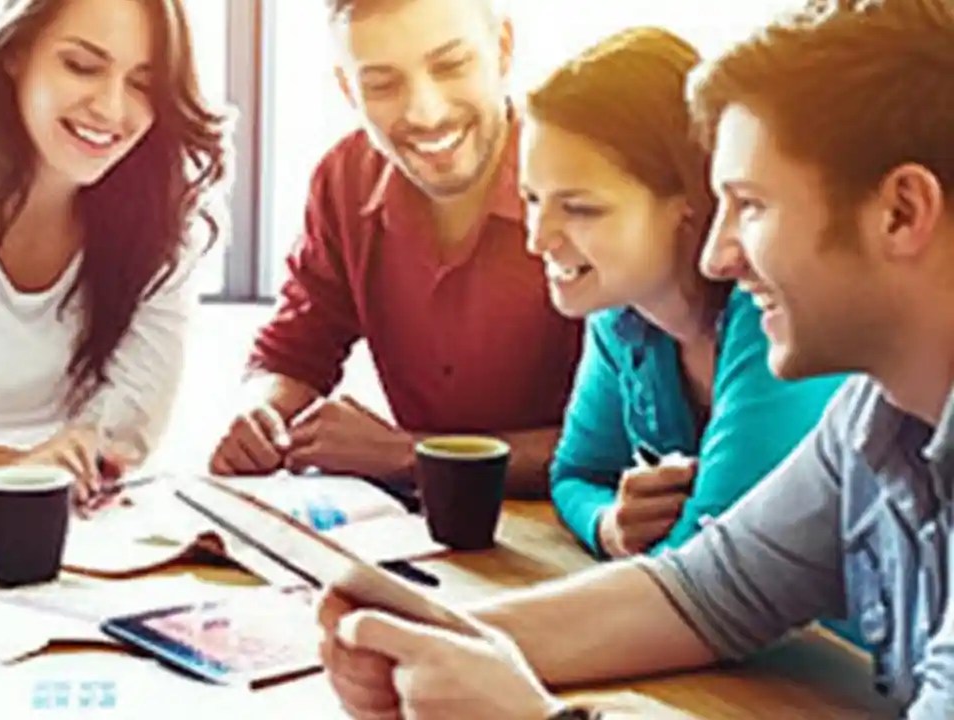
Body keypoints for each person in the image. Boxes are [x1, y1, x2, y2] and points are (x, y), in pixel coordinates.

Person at [317, 1, 954, 717]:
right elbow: (708, 591)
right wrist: (431, 638)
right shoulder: (875, 413)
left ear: (900, 213)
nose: (717, 254)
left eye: (751, 206)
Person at [0, 0, 229, 533]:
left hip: (90, 524)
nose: (111, 108)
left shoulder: (166, 224)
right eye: (82, 66)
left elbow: (128, 433)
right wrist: (11, 468)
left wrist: (55, 467)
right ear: (14, 54)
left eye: (143, 84)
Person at [208, 0, 581, 495]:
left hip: (577, 533)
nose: (425, 113)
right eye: (382, 85)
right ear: (348, 89)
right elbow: (295, 353)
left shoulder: (585, 182)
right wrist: (261, 414)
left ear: (503, 49)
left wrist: (410, 454)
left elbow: (626, 445)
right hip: (424, 534)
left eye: (451, 65)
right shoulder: (344, 180)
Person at [521, 28, 842, 559]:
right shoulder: (622, 317)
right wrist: (609, 526)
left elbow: (707, 565)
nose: (536, 238)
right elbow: (574, 474)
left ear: (689, 202)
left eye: (580, 209)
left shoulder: (773, 316)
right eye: (532, 198)